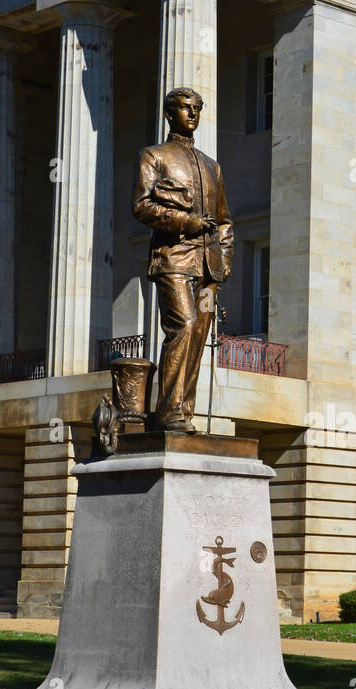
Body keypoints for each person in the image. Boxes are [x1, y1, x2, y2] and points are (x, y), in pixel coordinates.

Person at [131, 87, 235, 432]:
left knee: (199, 336)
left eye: (196, 109)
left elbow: (224, 220)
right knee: (184, 326)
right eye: (185, 108)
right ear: (169, 113)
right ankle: (167, 412)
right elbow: (142, 206)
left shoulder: (211, 165)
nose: (192, 114)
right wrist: (186, 222)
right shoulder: (154, 156)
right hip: (173, 257)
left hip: (208, 267)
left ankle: (183, 414)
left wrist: (225, 262)